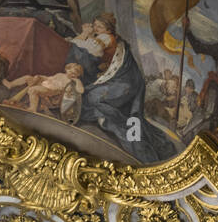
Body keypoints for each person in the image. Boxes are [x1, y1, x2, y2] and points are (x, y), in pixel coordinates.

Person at [68, 14, 173, 163]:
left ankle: (106, 118)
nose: (96, 28)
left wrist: (84, 34)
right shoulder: (114, 39)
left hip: (123, 84)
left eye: (99, 26)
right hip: (127, 83)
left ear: (108, 29)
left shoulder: (105, 38)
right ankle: (106, 117)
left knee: (91, 97)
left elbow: (90, 49)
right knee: (94, 94)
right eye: (95, 25)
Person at [2, 63, 84, 115]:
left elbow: (81, 90)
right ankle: (10, 84)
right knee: (28, 77)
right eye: (71, 71)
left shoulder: (71, 82)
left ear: (77, 75)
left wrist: (77, 81)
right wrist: (40, 76)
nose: (72, 74)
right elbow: (48, 78)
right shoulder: (60, 75)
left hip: (52, 91)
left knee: (33, 90)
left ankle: (33, 108)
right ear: (67, 69)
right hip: (45, 84)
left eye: (75, 74)